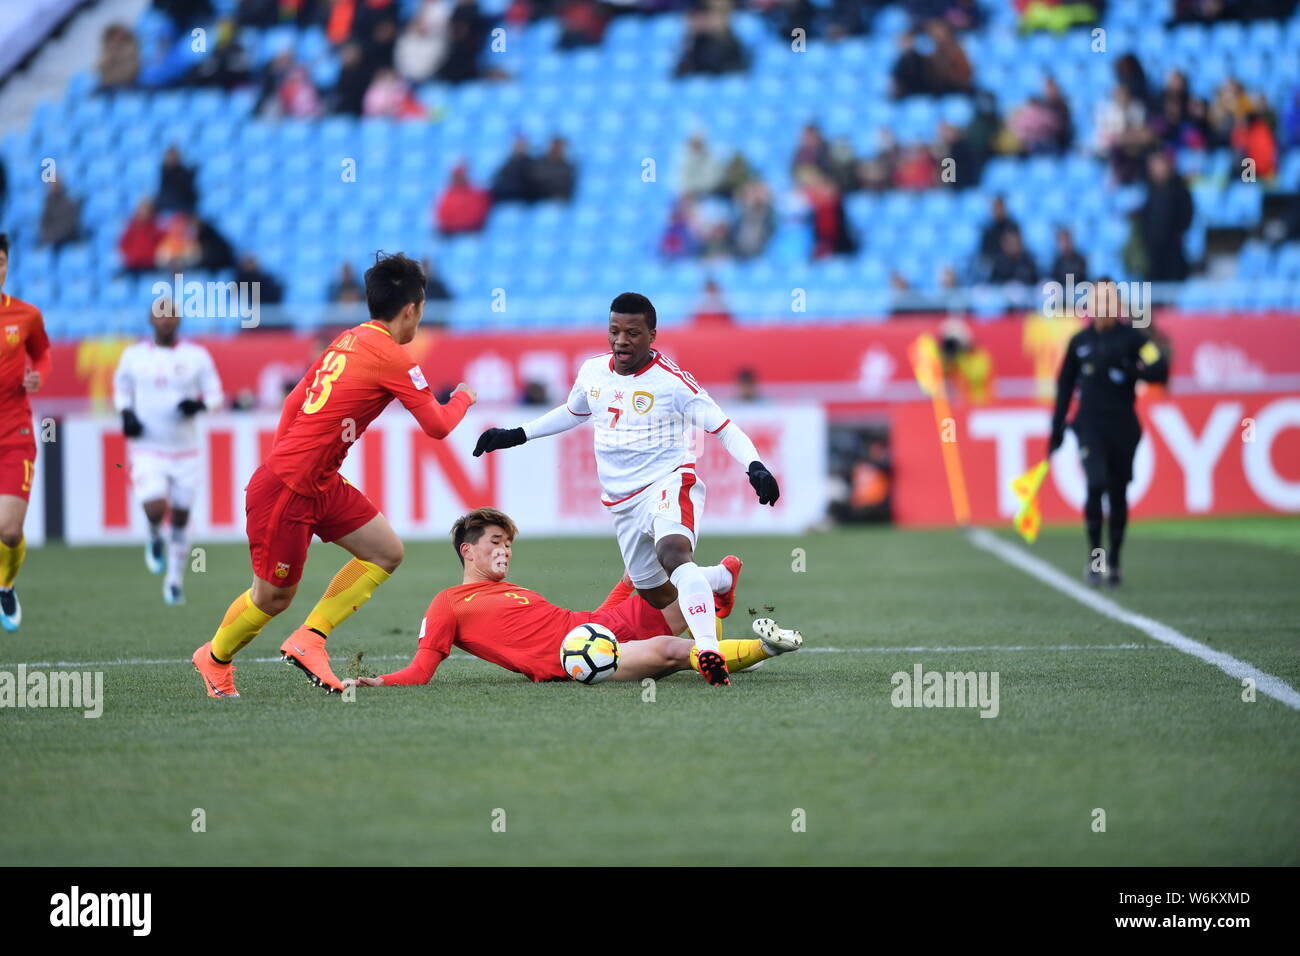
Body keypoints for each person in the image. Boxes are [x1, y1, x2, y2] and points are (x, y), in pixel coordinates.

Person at [191, 253, 477, 698]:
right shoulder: (393, 356)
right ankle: (214, 657)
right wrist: (462, 397)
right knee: (272, 598)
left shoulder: (347, 339)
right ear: (413, 309)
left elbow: (291, 404)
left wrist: (296, 459)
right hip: (289, 488)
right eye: (421, 309)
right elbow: (438, 425)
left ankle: (309, 639)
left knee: (385, 551)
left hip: (318, 481)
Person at [471, 292, 781, 687]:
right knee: (657, 595)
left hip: (669, 481)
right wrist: (517, 434)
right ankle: (720, 578)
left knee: (674, 553)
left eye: (633, 333)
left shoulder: (673, 383)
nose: (621, 340)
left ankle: (708, 649)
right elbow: (572, 412)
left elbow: (723, 426)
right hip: (623, 504)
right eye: (614, 331)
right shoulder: (593, 373)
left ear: (652, 334)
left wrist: (754, 465)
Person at [344, 508, 802, 689]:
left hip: (594, 629)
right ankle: (764, 647)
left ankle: (719, 587)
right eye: (495, 543)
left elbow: (581, 622)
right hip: (582, 659)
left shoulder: (513, 591)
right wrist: (378, 682)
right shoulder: (448, 603)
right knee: (675, 651)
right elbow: (421, 671)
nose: (504, 551)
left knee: (663, 581)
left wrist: (629, 582)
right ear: (467, 550)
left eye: (508, 544)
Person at [1048, 279, 1169, 588]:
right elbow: (1064, 387)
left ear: (1116, 305)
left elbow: (1161, 368)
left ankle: (1114, 559)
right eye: (1095, 300)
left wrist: (1134, 370)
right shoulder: (1079, 343)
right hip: (1089, 426)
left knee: (1117, 493)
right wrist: (1057, 428)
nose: (1101, 307)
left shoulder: (1134, 339)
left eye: (1107, 300)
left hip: (1122, 427)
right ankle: (1096, 559)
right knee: (1095, 484)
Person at [113, 298, 223, 605]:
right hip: (148, 448)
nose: (165, 320)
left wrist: (199, 404)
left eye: (171, 314)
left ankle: (173, 581)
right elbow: (121, 389)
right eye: (160, 315)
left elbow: (216, 394)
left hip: (186, 452)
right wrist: (126, 414)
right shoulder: (134, 356)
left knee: (181, 517)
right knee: (155, 508)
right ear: (150, 319)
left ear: (178, 320)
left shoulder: (196, 356)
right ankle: (152, 535)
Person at [0, 234, 51, 631]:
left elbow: (43, 354)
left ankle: (6, 582)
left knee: (10, 530)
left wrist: (38, 377)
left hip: (14, 432)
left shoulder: (26, 316)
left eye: (0, 262)